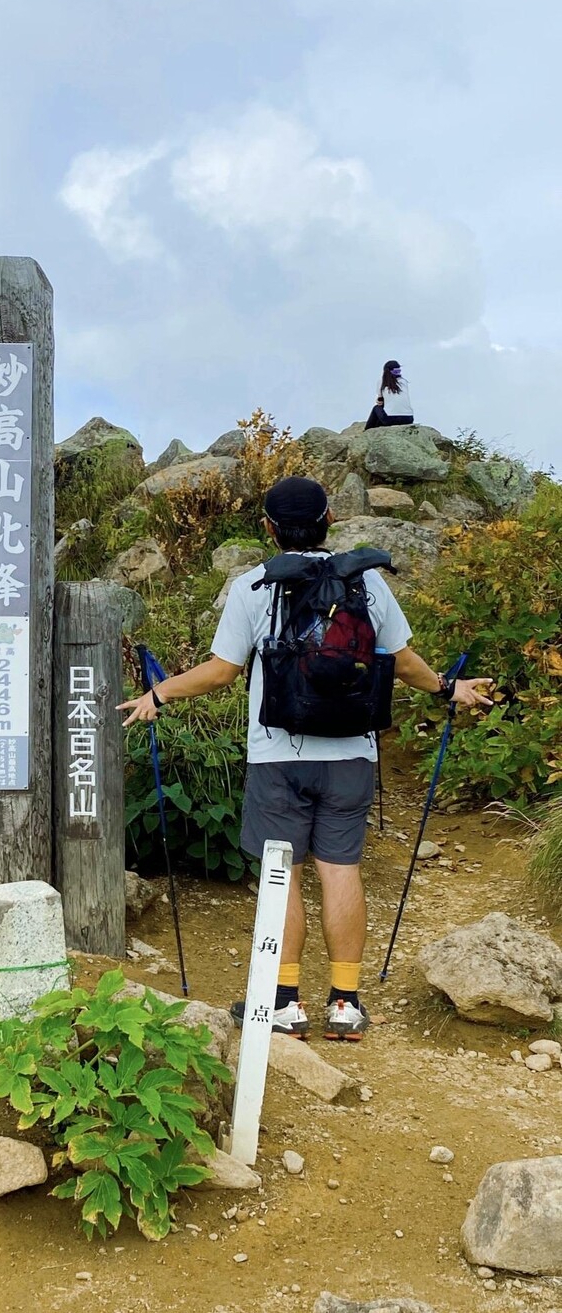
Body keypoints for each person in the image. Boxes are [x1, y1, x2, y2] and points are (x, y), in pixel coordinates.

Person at [118, 475, 493, 1040]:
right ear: (331, 521)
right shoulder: (365, 584)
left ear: (268, 528)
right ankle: (345, 1002)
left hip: (277, 755)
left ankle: (285, 1002)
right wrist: (449, 687)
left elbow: (223, 671)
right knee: (340, 870)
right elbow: (403, 660)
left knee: (282, 873)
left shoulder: (254, 586)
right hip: (352, 753)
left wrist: (158, 693)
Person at [365, 359, 414, 429]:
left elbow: (380, 401)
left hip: (390, 420)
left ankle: (368, 430)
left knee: (377, 408)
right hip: (408, 418)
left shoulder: (382, 382)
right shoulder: (404, 382)